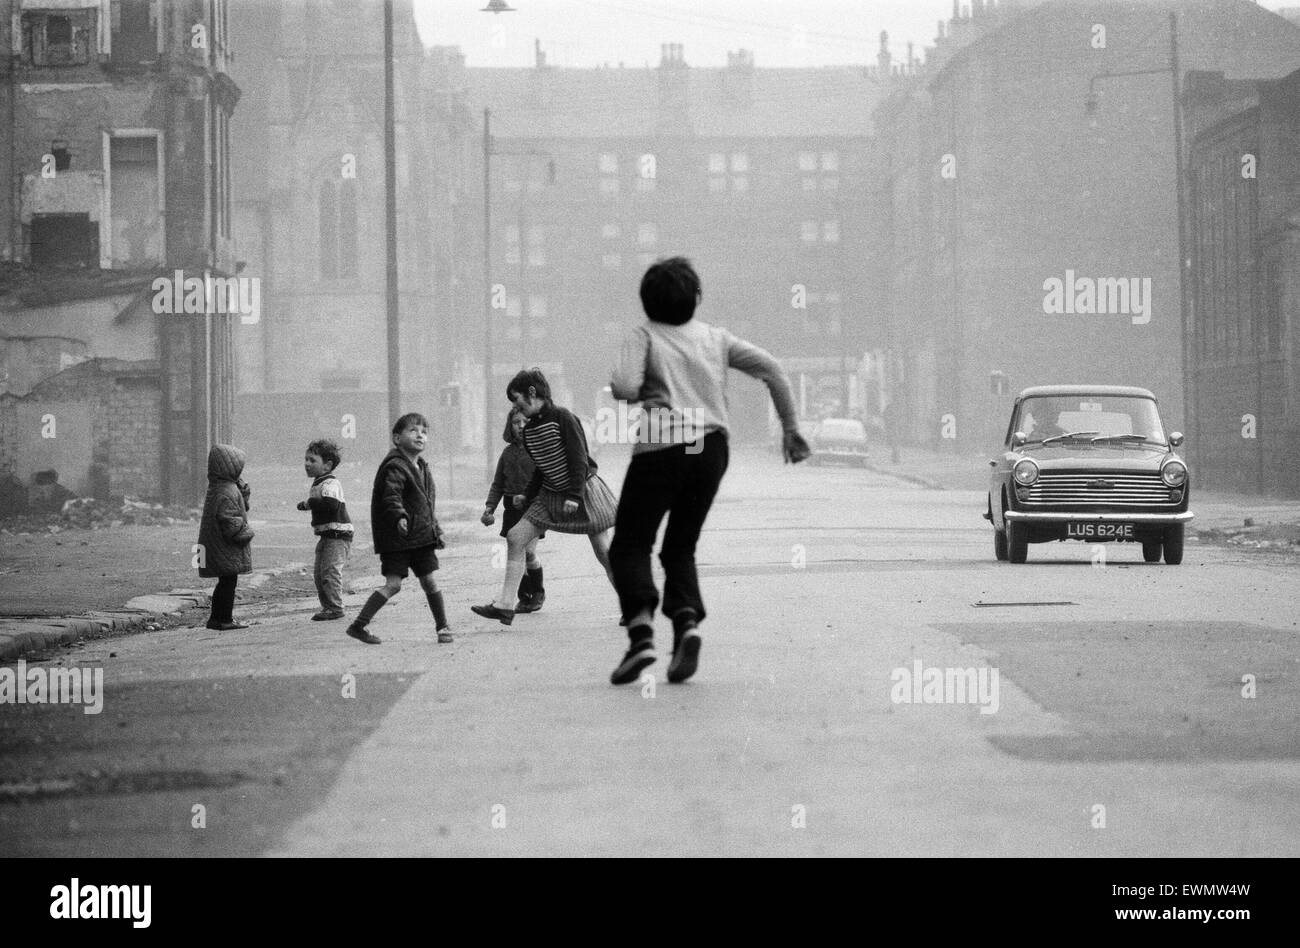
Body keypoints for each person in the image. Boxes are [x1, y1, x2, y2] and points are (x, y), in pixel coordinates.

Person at [607, 256, 810, 685]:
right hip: (711, 449)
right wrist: (790, 429)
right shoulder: (716, 339)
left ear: (646, 301)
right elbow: (773, 371)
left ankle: (641, 634)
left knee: (630, 544)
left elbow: (624, 388)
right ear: (696, 299)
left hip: (661, 447)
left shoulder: (642, 335)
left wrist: (655, 388)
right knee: (680, 546)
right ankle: (686, 626)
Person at [471, 368, 618, 625]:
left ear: (531, 393)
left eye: (517, 400)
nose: (517, 407)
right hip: (549, 494)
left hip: (581, 490)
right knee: (516, 537)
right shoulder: (530, 430)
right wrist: (526, 496)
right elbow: (541, 467)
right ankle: (505, 605)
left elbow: (579, 458)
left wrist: (574, 494)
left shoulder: (562, 417)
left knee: (603, 551)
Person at [345, 413, 452, 645]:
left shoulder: (422, 467)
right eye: (413, 430)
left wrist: (436, 530)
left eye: (424, 431)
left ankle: (443, 627)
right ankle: (358, 626)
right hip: (398, 539)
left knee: (430, 582)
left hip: (421, 539)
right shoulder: (395, 467)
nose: (420, 435)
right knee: (393, 585)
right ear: (396, 438)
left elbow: (426, 505)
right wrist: (399, 516)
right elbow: (391, 495)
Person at [481, 408, 547, 612]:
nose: (520, 426)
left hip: (534, 507)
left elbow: (546, 477)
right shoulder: (507, 453)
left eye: (525, 421)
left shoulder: (538, 449)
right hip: (511, 507)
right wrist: (489, 508)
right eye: (516, 422)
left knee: (527, 551)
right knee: (516, 552)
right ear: (509, 426)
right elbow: (498, 483)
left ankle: (537, 593)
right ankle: (523, 597)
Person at [197, 444, 255, 631]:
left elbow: (237, 508)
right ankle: (223, 619)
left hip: (218, 545)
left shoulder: (221, 486)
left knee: (225, 582)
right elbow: (229, 518)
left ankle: (218, 618)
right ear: (230, 468)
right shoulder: (227, 490)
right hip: (226, 546)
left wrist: (243, 493)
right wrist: (245, 533)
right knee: (228, 583)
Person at [296, 438, 353, 621]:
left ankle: (335, 607)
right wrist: (307, 504)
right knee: (319, 573)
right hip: (327, 534)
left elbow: (331, 504)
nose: (307, 464)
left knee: (330, 571)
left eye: (312, 460)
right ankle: (328, 606)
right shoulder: (319, 482)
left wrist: (309, 503)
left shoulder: (330, 484)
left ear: (327, 466)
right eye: (306, 459)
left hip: (338, 535)